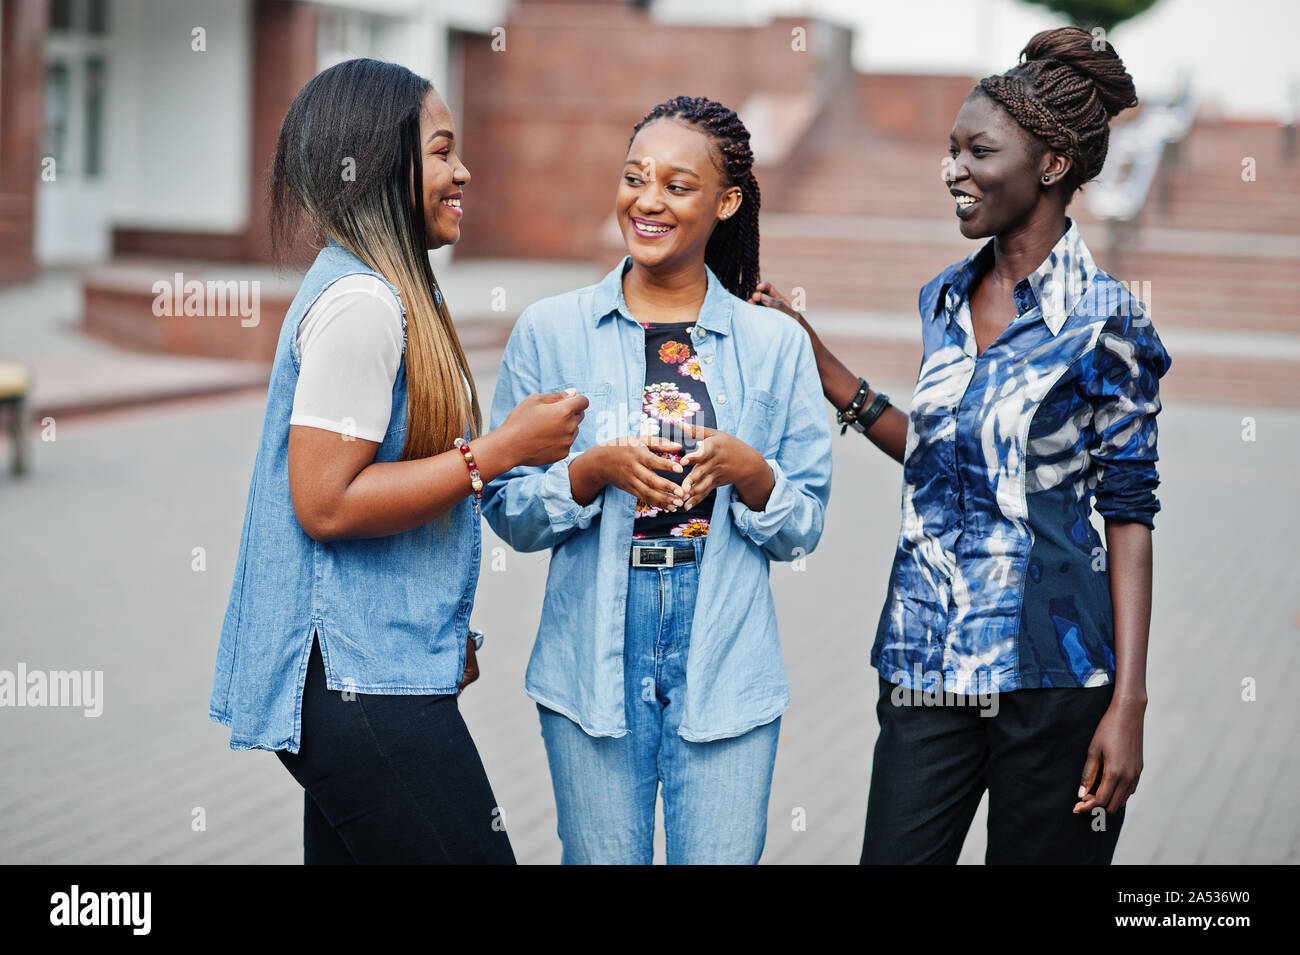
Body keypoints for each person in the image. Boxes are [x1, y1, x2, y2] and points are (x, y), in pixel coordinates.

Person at [753, 27, 1171, 864]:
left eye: (978, 150)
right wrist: (819, 360)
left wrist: (1128, 705)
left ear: (1052, 164)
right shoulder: (944, 297)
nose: (953, 170)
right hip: (924, 656)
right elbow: (947, 456)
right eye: (950, 150)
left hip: (1054, 679)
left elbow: (1128, 514)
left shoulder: (1108, 320)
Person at [207, 58, 588, 864]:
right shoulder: (363, 304)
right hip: (353, 682)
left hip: (371, 668)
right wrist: (500, 451)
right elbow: (326, 501)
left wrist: (441, 632)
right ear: (384, 165)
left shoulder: (389, 290)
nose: (463, 171)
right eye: (443, 151)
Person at [483, 95, 833, 864]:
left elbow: (804, 520)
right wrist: (587, 473)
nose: (647, 201)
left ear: (726, 201)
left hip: (725, 652)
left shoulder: (774, 343)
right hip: (592, 657)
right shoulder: (552, 329)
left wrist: (752, 474)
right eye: (635, 178)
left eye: (677, 186)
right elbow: (507, 509)